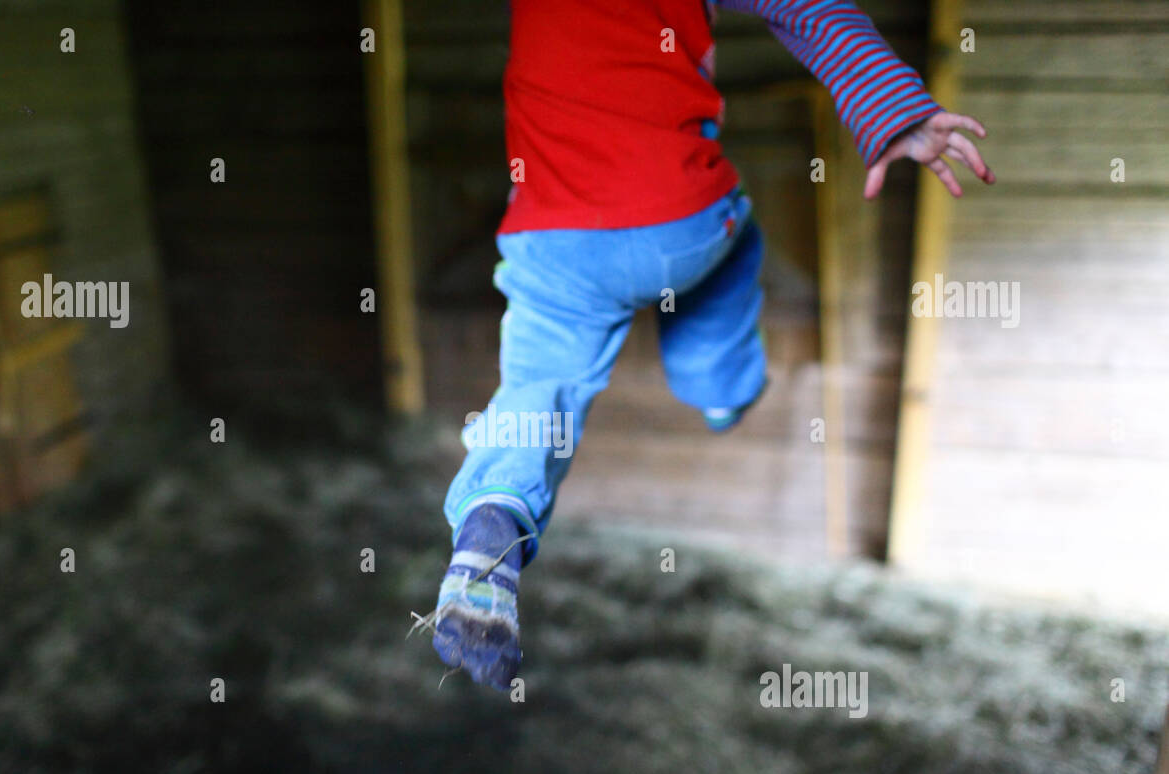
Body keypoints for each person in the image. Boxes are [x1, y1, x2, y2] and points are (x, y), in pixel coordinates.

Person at [425, 0, 994, 690]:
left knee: (539, 386)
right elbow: (811, 9)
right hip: (684, 223)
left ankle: (494, 520)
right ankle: (718, 386)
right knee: (734, 243)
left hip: (555, 239)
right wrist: (896, 115)